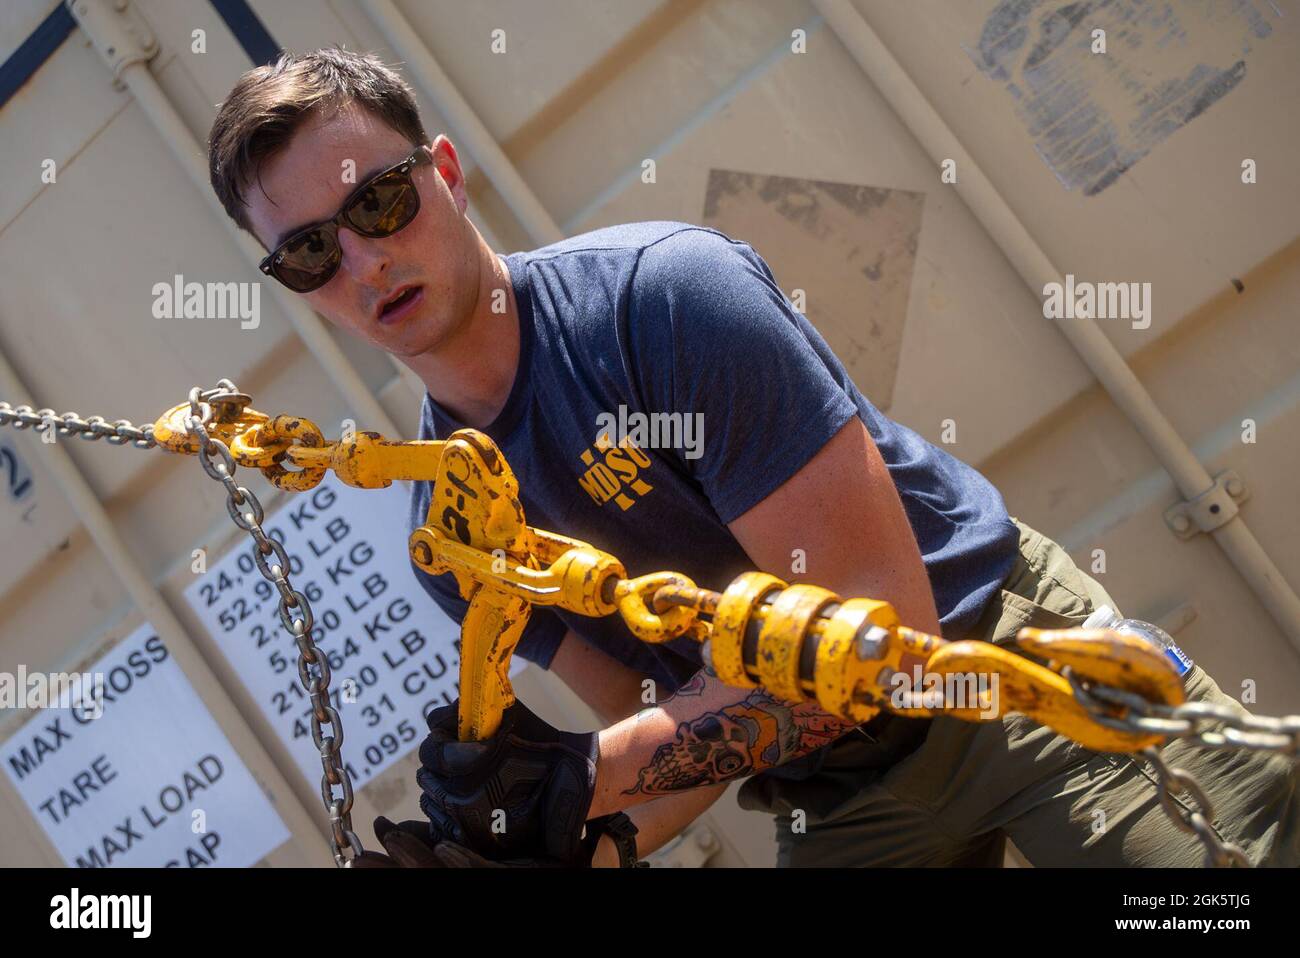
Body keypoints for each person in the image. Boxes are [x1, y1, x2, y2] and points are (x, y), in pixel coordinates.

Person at [208, 48, 1297, 868]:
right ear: (294, 285)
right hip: (834, 794)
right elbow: (679, 727)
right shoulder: (453, 540)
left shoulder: (662, 299)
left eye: (378, 200)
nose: (362, 257)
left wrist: (592, 774)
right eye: (310, 250)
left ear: (444, 172)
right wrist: (557, 839)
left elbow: (887, 629)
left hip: (1002, 681)